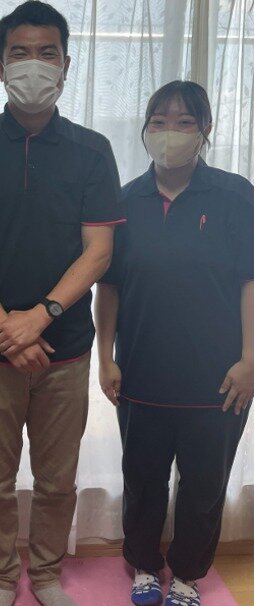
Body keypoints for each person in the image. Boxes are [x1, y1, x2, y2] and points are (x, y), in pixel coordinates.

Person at [0, 2, 124, 604]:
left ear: (66, 65)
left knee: (57, 480)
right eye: (20, 53)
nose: (34, 65)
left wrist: (39, 317)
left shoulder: (93, 150)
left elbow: (98, 252)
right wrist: (4, 329)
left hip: (65, 349)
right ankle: (0, 576)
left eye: (48, 53)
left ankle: (44, 573)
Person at [95, 80, 253, 606]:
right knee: (142, 479)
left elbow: (251, 281)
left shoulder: (236, 196)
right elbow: (108, 287)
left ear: (205, 130)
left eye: (185, 122)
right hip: (141, 371)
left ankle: (187, 573)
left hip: (220, 377)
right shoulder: (123, 202)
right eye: (159, 121)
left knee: (205, 484)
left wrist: (250, 359)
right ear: (144, 130)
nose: (171, 132)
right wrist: (105, 358)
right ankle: (144, 564)